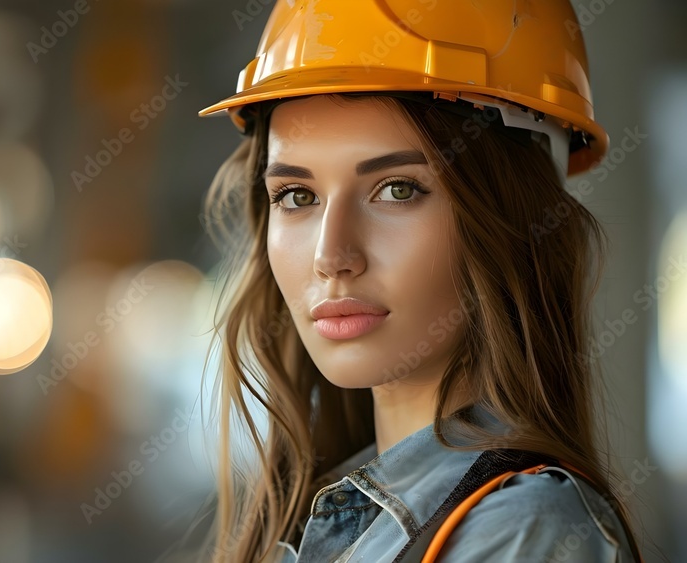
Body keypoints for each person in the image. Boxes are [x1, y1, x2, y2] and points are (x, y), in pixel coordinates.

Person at [193, 1, 645, 561]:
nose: (332, 256)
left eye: (398, 190)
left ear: (514, 217)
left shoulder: (521, 532)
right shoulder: (319, 518)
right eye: (298, 196)